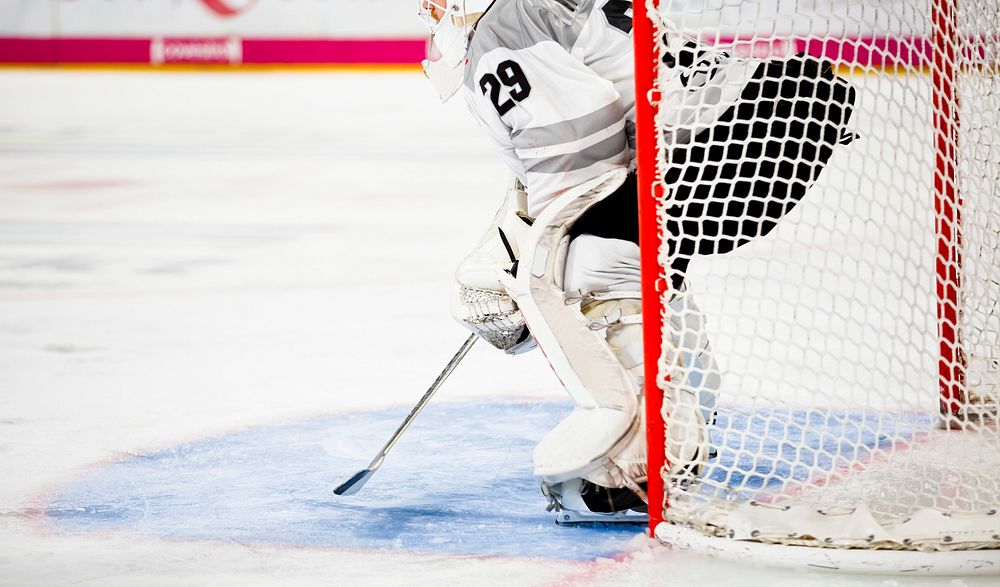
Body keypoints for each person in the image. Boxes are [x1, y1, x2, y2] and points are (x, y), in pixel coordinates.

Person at [417, 0, 856, 521]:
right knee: (633, 256)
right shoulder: (530, 9)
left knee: (591, 263)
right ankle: (682, 426)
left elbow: (584, 158)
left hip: (742, 130)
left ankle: (641, 459)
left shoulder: (501, 28)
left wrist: (530, 265)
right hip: (780, 111)